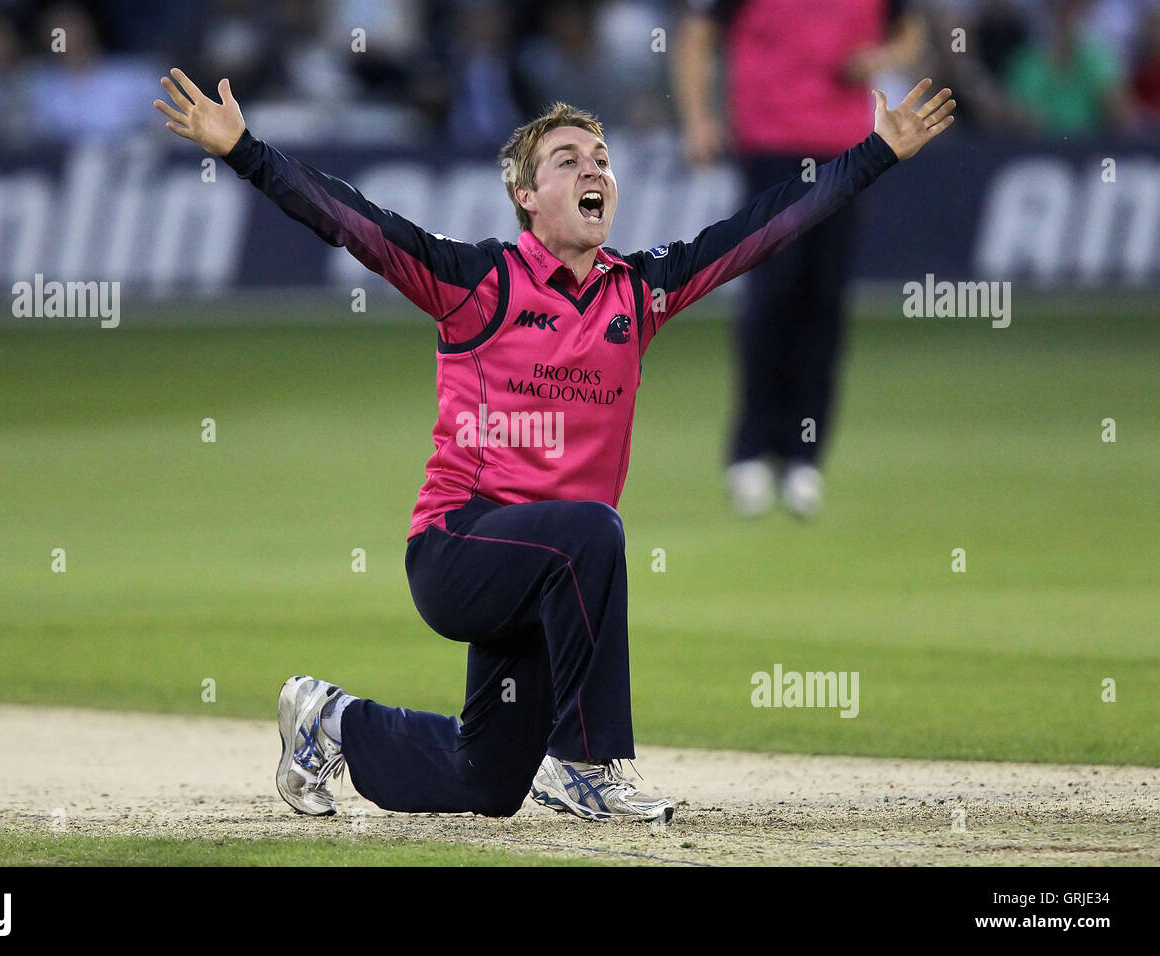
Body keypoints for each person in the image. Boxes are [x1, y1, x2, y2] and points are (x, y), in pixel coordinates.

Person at [153, 66, 954, 821]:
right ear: (526, 195)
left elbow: (768, 227)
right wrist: (245, 151)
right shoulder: (478, 285)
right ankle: (589, 765)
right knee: (592, 530)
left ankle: (327, 723)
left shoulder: (640, 293)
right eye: (567, 160)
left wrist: (876, 152)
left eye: (601, 158)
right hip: (458, 548)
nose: (592, 170)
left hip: (548, 582)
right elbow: (352, 223)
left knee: (488, 780)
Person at [675, 0, 925, 517]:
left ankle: (803, 458)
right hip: (771, 148)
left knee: (824, 301)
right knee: (772, 295)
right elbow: (696, 35)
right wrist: (698, 118)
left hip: (847, 151)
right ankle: (751, 452)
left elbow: (910, 32)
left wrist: (879, 56)